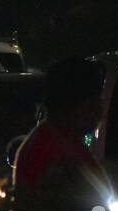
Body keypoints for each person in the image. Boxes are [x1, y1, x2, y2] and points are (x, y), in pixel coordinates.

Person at [13, 57, 109, 199]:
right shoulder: (57, 154)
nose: (101, 110)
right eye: (95, 101)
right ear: (75, 104)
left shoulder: (53, 142)